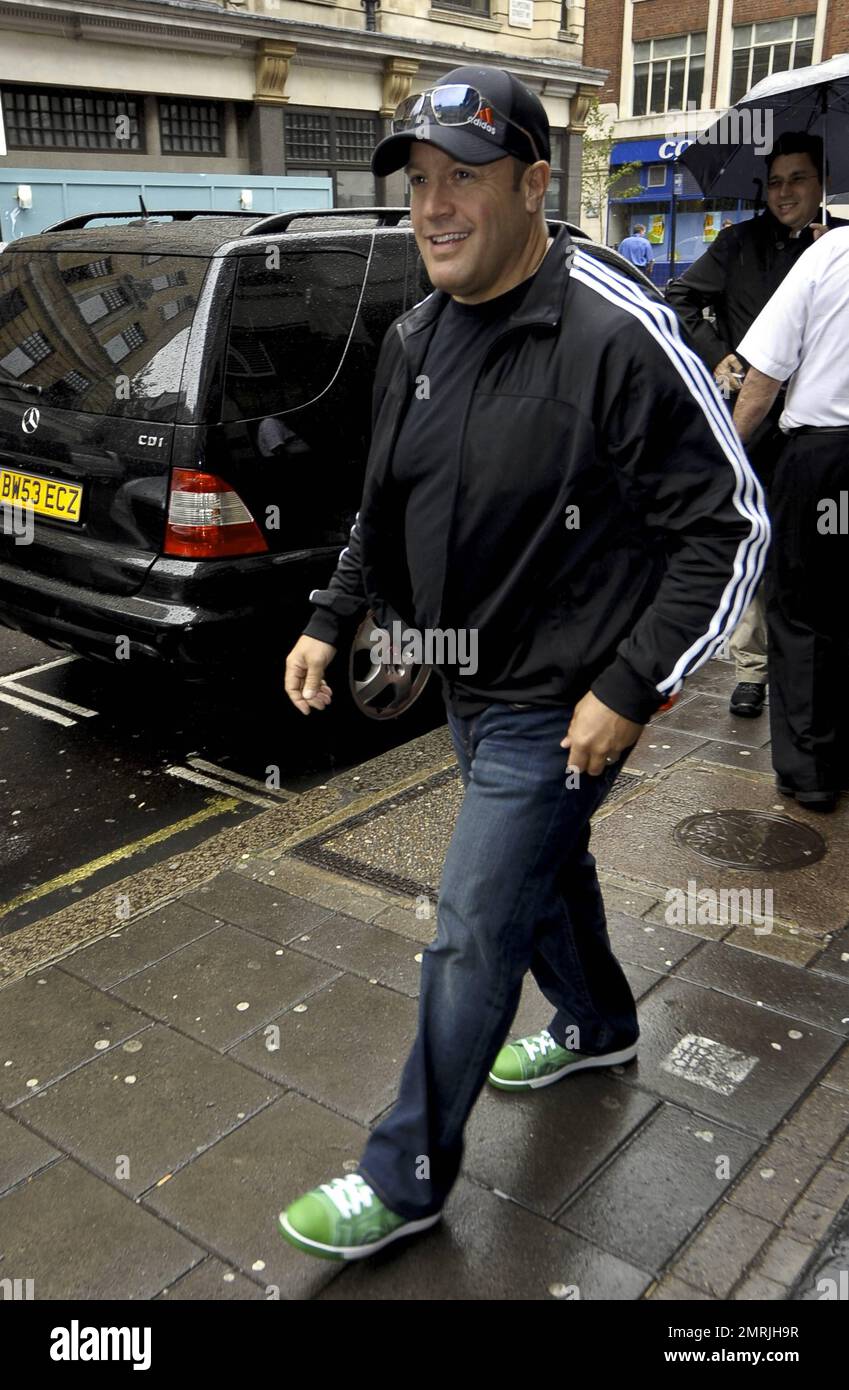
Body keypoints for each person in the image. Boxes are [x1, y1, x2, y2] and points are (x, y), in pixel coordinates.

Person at [279, 64, 769, 1261]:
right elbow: (377, 508)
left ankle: (405, 1175)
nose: (434, 208)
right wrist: (329, 616)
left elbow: (733, 525)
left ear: (536, 186)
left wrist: (631, 688)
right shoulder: (414, 333)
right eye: (421, 185)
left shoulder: (613, 332)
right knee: (546, 873)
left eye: (465, 181)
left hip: (564, 703)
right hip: (468, 681)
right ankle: (600, 1018)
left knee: (472, 922)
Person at [666, 132, 846, 721]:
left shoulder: (838, 246)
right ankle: (752, 667)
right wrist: (720, 353)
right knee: (752, 538)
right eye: (775, 182)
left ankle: (814, 675)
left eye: (798, 179)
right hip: (753, 418)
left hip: (816, 429)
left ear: (822, 183)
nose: (785, 192)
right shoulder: (739, 243)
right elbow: (682, 298)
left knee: (812, 558)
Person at [733, 227, 849, 812]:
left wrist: (726, 455)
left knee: (803, 612)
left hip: (823, 459)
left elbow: (764, 374)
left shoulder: (829, 252)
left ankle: (811, 771)